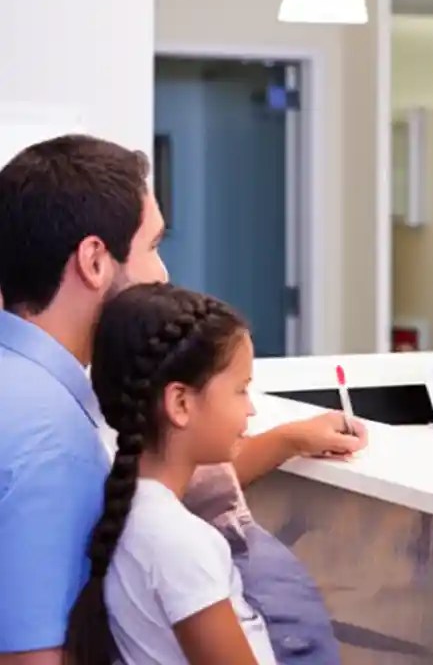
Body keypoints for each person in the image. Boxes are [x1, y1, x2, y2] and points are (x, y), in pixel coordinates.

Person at [0, 134, 361, 664]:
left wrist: (285, 440)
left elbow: (162, 466)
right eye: (152, 247)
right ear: (95, 260)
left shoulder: (24, 391)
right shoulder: (52, 442)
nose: (162, 273)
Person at [65, 284, 275, 664]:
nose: (251, 409)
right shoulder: (180, 543)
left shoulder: (128, 514)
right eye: (241, 390)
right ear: (180, 403)